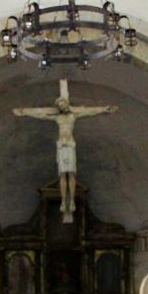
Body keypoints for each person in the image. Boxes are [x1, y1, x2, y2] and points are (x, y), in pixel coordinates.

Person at [13, 80, 117, 223]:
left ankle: (71, 201)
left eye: (64, 103)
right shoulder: (57, 116)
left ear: (67, 103)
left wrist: (105, 109)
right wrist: (24, 112)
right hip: (61, 145)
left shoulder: (74, 114)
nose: (63, 106)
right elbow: (39, 113)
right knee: (63, 174)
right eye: (60, 105)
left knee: (72, 174)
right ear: (58, 107)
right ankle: (64, 201)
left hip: (71, 144)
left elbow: (90, 110)